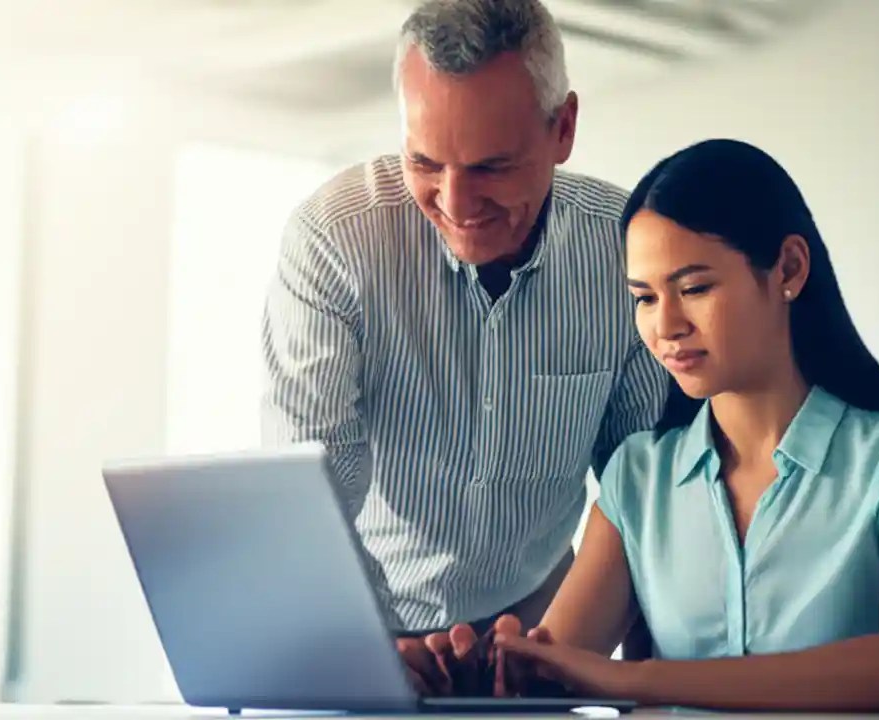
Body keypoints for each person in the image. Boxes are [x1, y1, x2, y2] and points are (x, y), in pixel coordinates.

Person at [422, 139, 879, 712]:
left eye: (694, 289)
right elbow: (555, 672)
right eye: (643, 297)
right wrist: (484, 676)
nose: (665, 325)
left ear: (789, 269)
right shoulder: (640, 478)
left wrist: (634, 679)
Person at [257, 0, 666, 690]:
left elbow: (644, 500)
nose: (456, 201)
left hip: (544, 629)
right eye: (425, 162)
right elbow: (308, 489)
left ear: (562, 128)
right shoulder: (334, 240)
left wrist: (646, 691)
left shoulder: (625, 251)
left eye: (491, 167)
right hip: (366, 620)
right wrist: (361, 651)